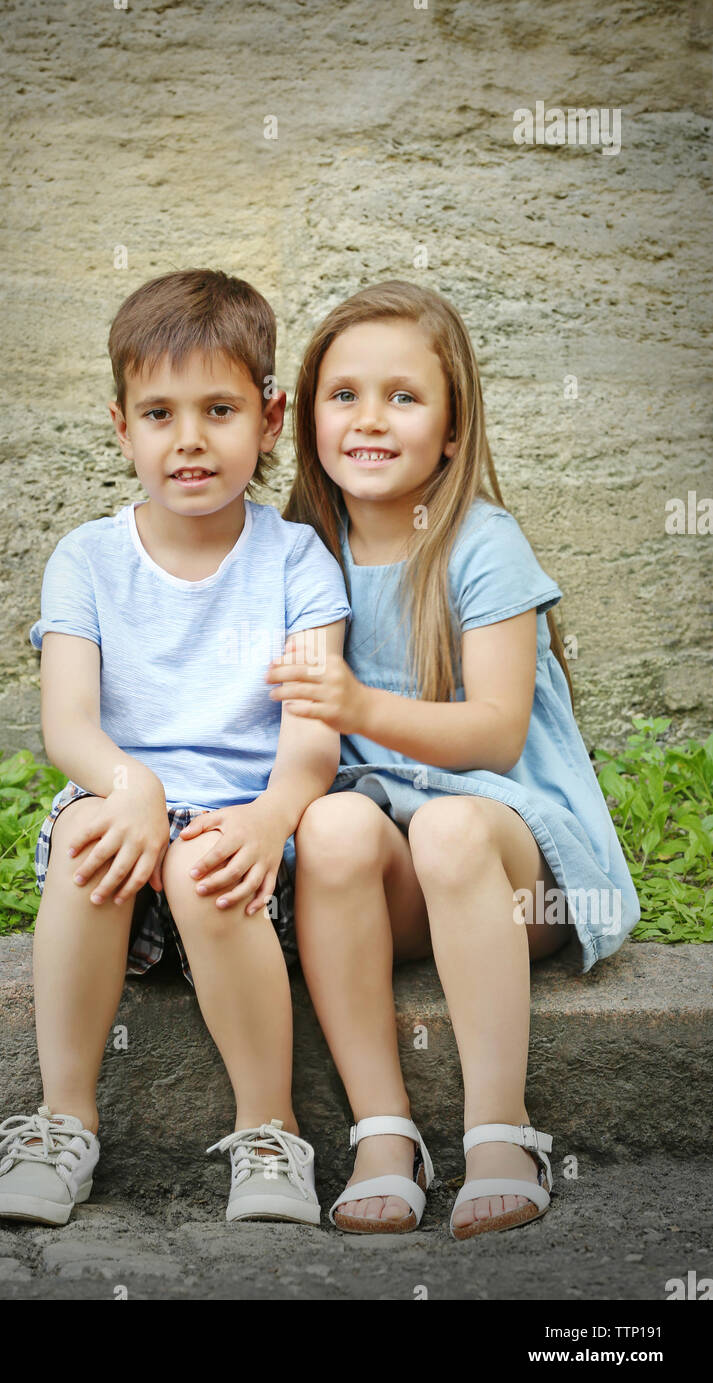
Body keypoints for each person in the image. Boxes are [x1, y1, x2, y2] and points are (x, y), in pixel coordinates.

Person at [0, 268, 350, 1227]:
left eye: (218, 409)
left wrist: (270, 816)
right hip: (126, 814)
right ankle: (64, 1122)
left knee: (205, 862)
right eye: (159, 413)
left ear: (268, 420)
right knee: (90, 837)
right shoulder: (87, 559)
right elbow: (70, 725)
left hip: (244, 848)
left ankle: (270, 1131)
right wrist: (126, 783)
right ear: (120, 425)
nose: (188, 439)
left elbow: (311, 736)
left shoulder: (296, 558)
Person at [266, 280, 640, 1239]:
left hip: (518, 870)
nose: (369, 419)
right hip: (398, 883)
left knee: (448, 820)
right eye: (342, 395)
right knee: (337, 824)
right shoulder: (303, 553)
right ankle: (384, 1134)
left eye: (403, 396)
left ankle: (497, 1133)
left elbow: (493, 735)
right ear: (307, 417)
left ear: (451, 425)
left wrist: (358, 704)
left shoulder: (482, 544)